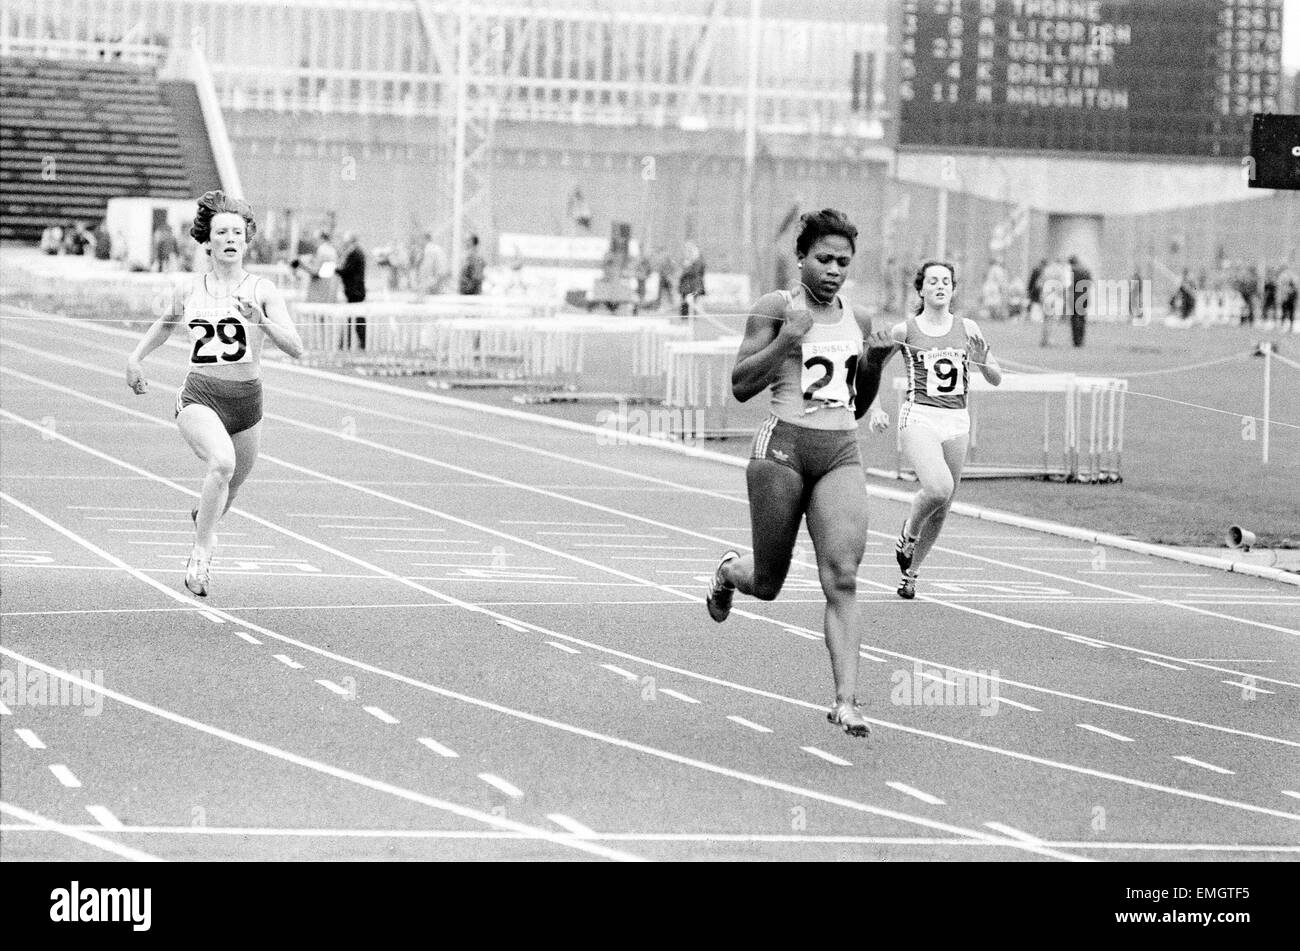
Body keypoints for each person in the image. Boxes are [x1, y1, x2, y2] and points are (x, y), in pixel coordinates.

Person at [705, 209, 893, 738]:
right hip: (781, 450)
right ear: (802, 258)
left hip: (839, 452)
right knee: (767, 584)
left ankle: (846, 701)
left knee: (844, 577)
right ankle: (727, 572)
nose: (834, 270)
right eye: (825, 259)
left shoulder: (856, 320)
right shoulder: (775, 307)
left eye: (844, 262)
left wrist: (875, 365)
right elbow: (741, 384)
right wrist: (788, 340)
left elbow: (855, 408)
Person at [125, 191, 304, 598]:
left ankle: (203, 519)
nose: (229, 239)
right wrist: (135, 358)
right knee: (221, 464)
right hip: (200, 395)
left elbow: (296, 346)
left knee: (231, 486)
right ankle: (201, 553)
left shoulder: (262, 290)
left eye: (237, 233)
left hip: (247, 402)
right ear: (207, 240)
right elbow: (165, 325)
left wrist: (261, 320)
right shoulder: (191, 289)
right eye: (221, 232)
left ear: (246, 240)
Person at [875, 261, 1002, 600]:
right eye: (933, 281)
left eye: (946, 281)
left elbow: (996, 377)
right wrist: (875, 408)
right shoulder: (905, 330)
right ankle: (908, 533)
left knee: (944, 504)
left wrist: (983, 358)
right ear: (922, 290)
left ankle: (911, 574)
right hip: (919, 416)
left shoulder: (968, 327)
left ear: (953, 289)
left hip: (957, 419)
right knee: (937, 486)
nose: (940, 286)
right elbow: (869, 366)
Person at [334, 231, 368, 350]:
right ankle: (348, 343)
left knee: (355, 319)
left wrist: (335, 270)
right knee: (354, 318)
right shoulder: (356, 252)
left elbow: (347, 270)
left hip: (355, 291)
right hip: (354, 291)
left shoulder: (355, 253)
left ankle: (349, 343)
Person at [300, 229, 337, 303]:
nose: (314, 242)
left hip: (319, 290)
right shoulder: (331, 250)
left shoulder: (322, 250)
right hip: (329, 289)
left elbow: (316, 272)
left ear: (322, 239)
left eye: (315, 239)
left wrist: (302, 264)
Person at [1068, 254, 1091, 348]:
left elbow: (1069, 285)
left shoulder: (1072, 272)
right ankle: (1081, 340)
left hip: (1074, 298)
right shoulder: (1085, 271)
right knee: (1082, 319)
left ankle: (1076, 340)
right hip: (1084, 297)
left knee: (1074, 319)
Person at [678, 241, 706, 318]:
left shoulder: (698, 260)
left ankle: (692, 318)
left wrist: (687, 268)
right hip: (686, 286)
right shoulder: (686, 260)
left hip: (694, 285)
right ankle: (685, 319)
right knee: (685, 304)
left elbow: (696, 271)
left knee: (692, 303)